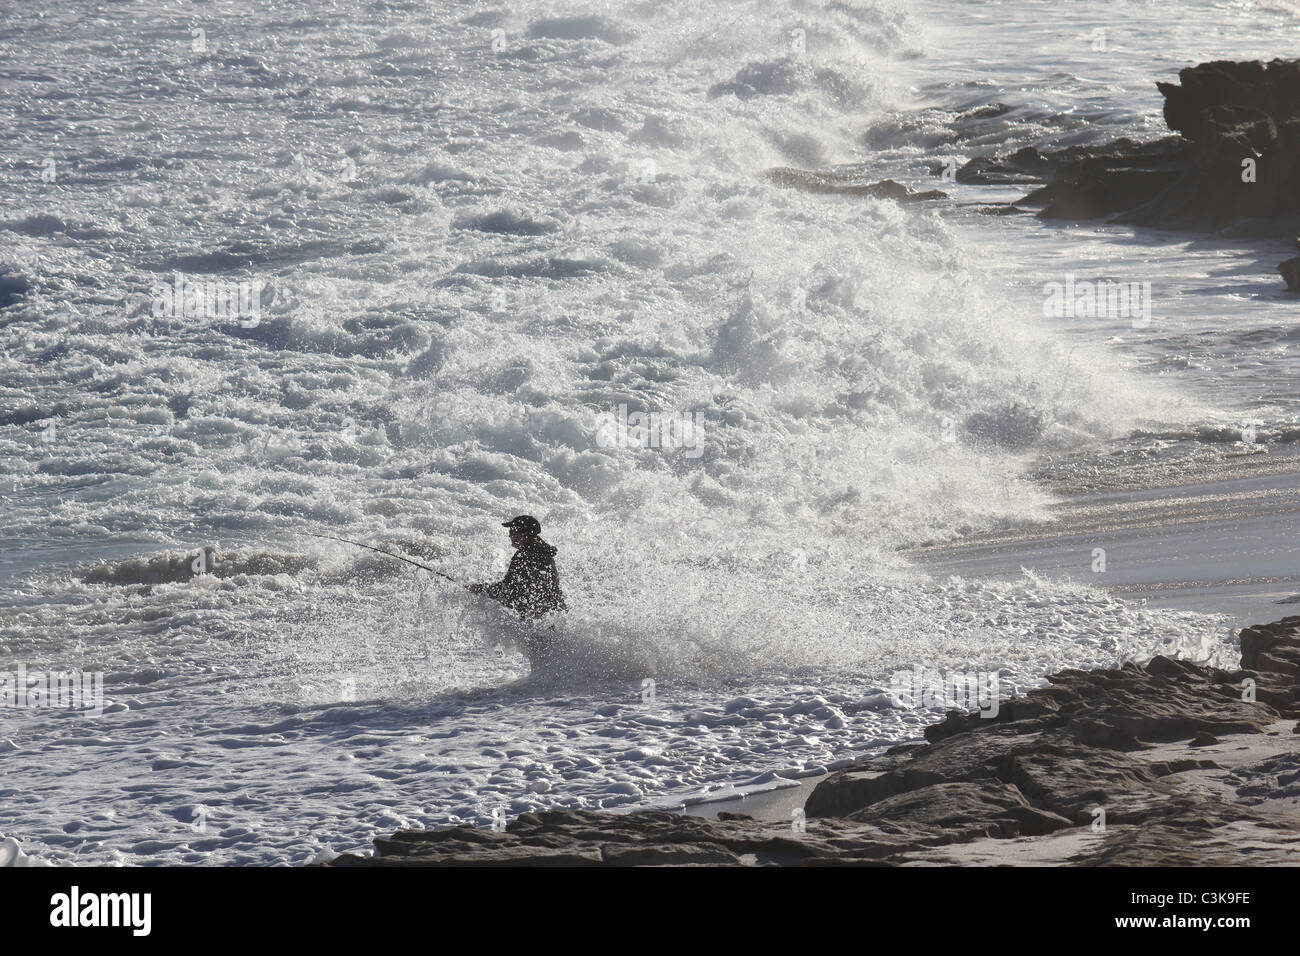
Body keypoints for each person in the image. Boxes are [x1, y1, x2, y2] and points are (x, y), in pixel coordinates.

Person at [469, 517, 566, 661]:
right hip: (553, 614)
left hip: (540, 619)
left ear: (525, 534)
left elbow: (509, 590)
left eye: (513, 532)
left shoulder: (524, 555)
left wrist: (482, 589)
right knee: (555, 660)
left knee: (544, 660)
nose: (510, 535)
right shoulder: (542, 551)